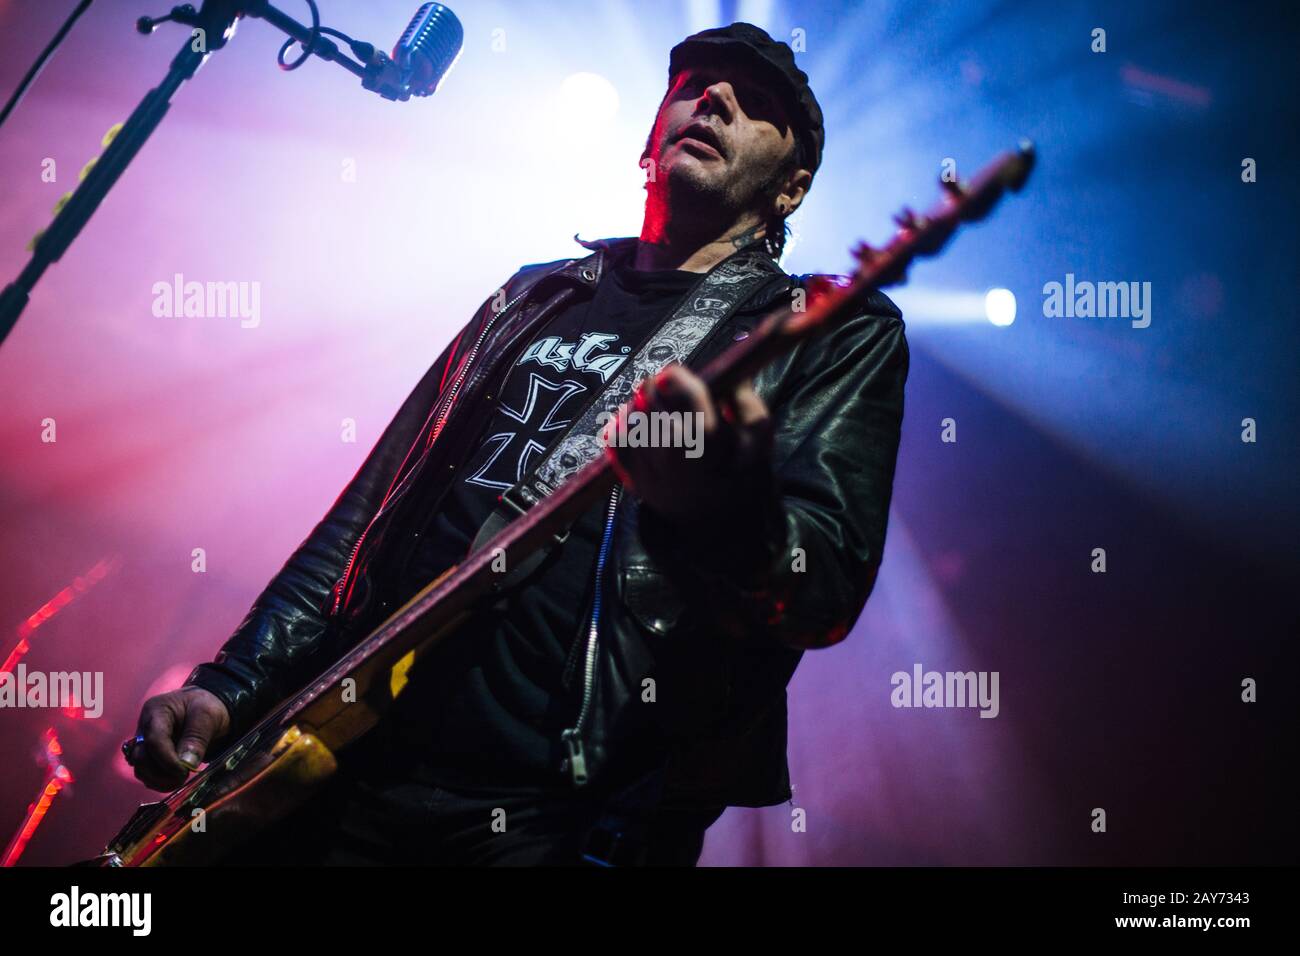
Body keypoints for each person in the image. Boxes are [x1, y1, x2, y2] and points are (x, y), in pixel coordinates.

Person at [124, 22, 910, 866]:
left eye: (753, 103)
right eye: (693, 83)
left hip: (559, 814)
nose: (711, 97)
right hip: (344, 763)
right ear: (651, 136)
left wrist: (714, 506)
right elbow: (364, 518)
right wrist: (232, 685)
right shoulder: (533, 295)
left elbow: (819, 589)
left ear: (790, 189)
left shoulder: (825, 331)